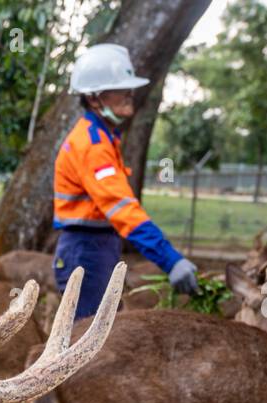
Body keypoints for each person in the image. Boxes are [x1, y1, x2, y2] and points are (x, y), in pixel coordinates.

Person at [53, 43, 199, 318]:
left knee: (104, 338)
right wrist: (170, 260)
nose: (130, 94)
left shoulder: (105, 139)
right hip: (85, 254)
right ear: (95, 98)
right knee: (89, 350)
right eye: (120, 88)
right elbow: (124, 211)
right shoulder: (93, 146)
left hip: (97, 249)